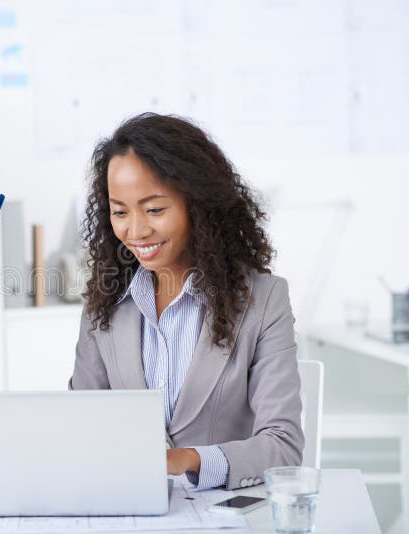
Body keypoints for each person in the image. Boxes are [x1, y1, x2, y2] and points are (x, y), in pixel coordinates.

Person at [70, 113, 304, 490]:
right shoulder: (104, 304)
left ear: (198, 204)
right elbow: (78, 424)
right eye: (120, 211)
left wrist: (188, 460)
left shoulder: (264, 300)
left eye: (155, 209)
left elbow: (283, 447)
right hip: (128, 509)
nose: (136, 229)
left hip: (223, 515)